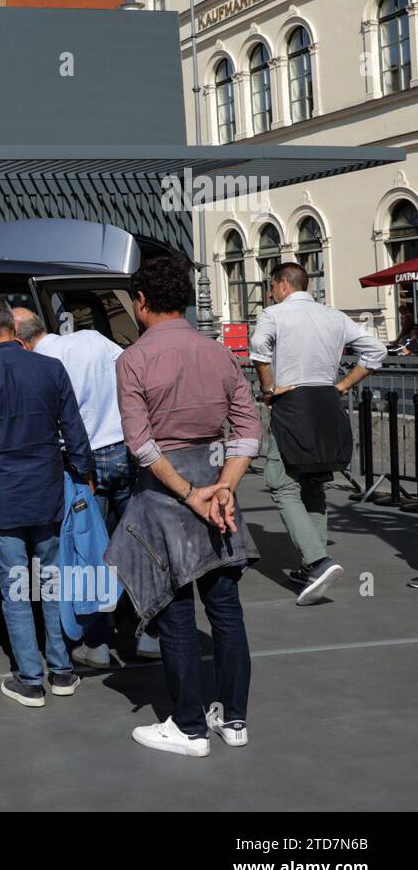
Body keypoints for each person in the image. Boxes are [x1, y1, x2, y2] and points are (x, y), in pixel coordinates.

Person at [107, 255, 262, 758]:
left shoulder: (132, 360)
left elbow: (142, 445)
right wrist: (223, 487)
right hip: (218, 493)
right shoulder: (219, 354)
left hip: (165, 497)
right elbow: (248, 431)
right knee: (226, 610)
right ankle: (234, 719)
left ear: (143, 302)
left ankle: (190, 727)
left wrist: (190, 493)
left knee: (174, 612)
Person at [0, 294, 94, 708]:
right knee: (50, 581)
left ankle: (30, 680)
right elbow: (74, 431)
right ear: (13, 329)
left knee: (15, 588)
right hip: (48, 493)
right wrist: (84, 476)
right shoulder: (50, 370)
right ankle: (62, 670)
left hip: (1, 498)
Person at [12, 306, 159, 666]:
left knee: (88, 554)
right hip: (124, 452)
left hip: (83, 466)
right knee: (139, 548)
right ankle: (147, 636)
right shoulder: (93, 339)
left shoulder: (38, 368)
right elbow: (132, 373)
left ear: (20, 342)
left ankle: (96, 643)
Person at [248, 262, 387, 606]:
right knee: (313, 482)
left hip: (292, 400)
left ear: (282, 285)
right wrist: (341, 385)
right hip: (327, 401)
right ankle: (312, 565)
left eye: (271, 286)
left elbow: (258, 349)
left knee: (281, 482)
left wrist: (269, 389)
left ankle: (317, 561)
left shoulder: (274, 314)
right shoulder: (335, 316)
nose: (270, 293)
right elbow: (377, 352)